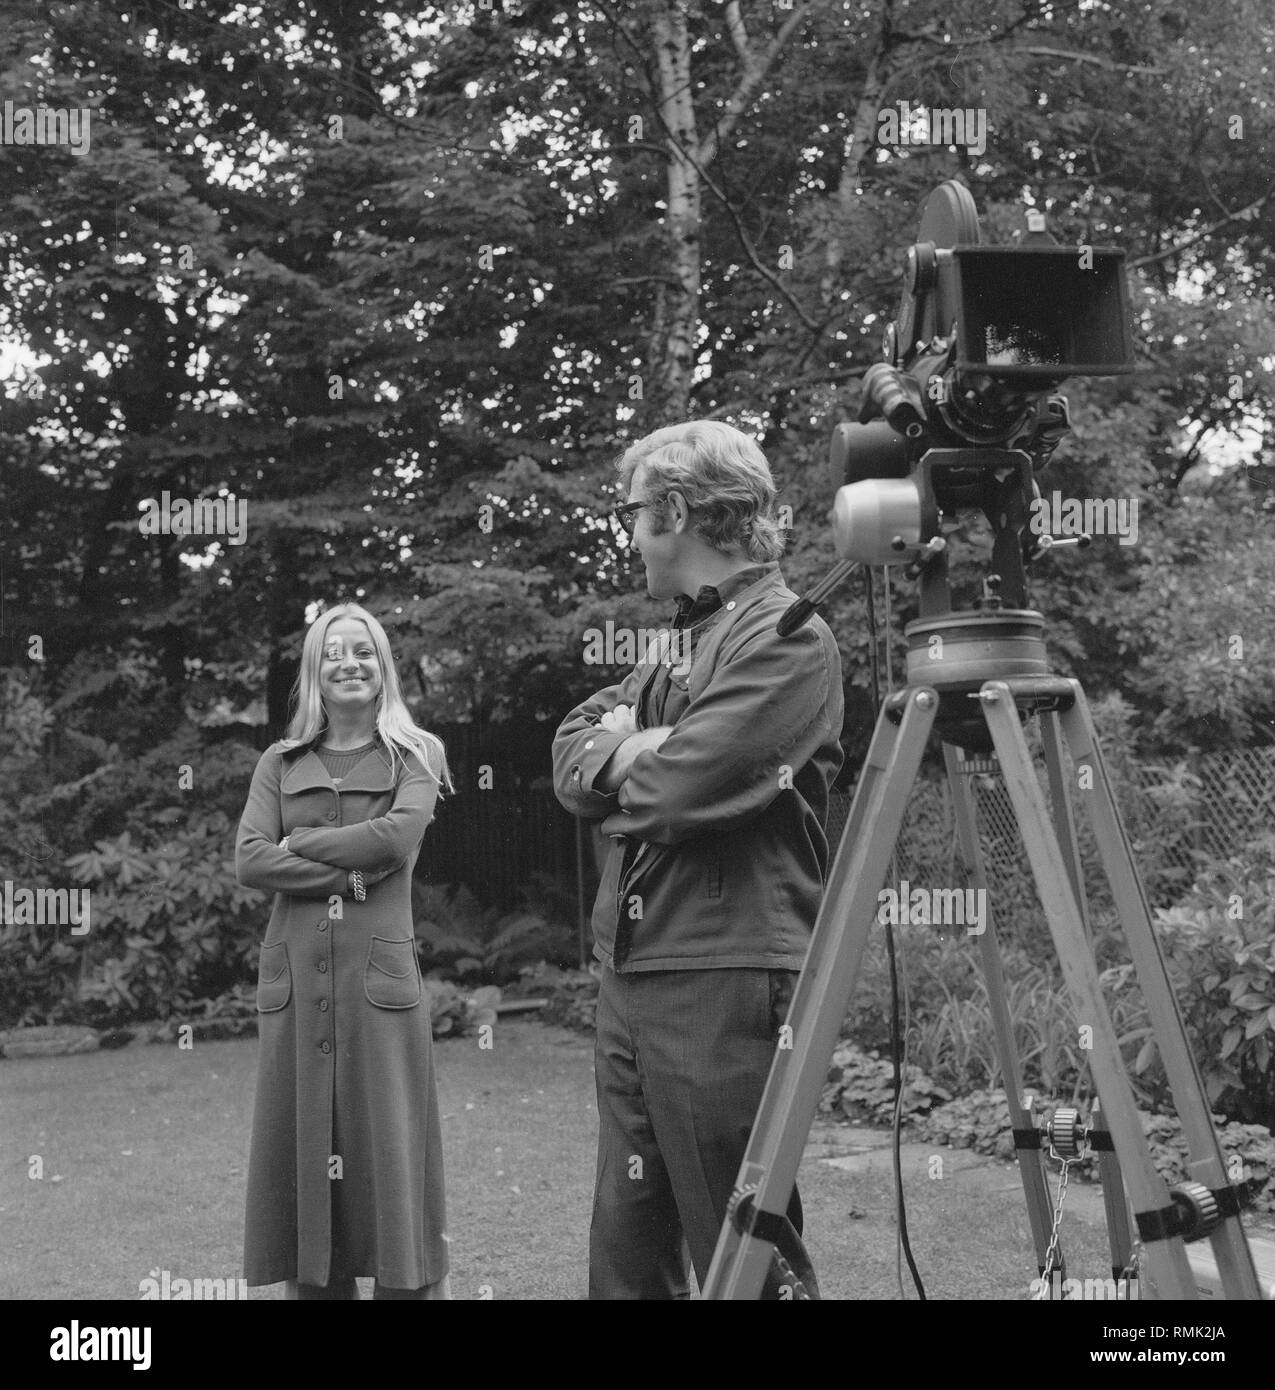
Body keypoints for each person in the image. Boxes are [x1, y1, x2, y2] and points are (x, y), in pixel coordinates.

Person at [552, 420, 845, 1299]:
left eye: (633, 512)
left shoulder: (787, 637)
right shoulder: (679, 639)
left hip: (722, 973)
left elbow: (677, 794)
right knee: (626, 1246)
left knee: (741, 1241)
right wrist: (647, 743)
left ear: (675, 510)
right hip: (632, 971)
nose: (629, 531)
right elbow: (571, 756)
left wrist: (634, 750)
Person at [236, 602, 454, 1300]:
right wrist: (350, 873)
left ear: (381, 664)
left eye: (363, 650)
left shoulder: (416, 755)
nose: (348, 663)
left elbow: (395, 841)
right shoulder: (279, 761)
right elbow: (249, 860)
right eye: (333, 652)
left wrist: (295, 846)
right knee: (305, 1152)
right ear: (314, 671)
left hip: (378, 986)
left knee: (388, 1155)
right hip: (296, 982)